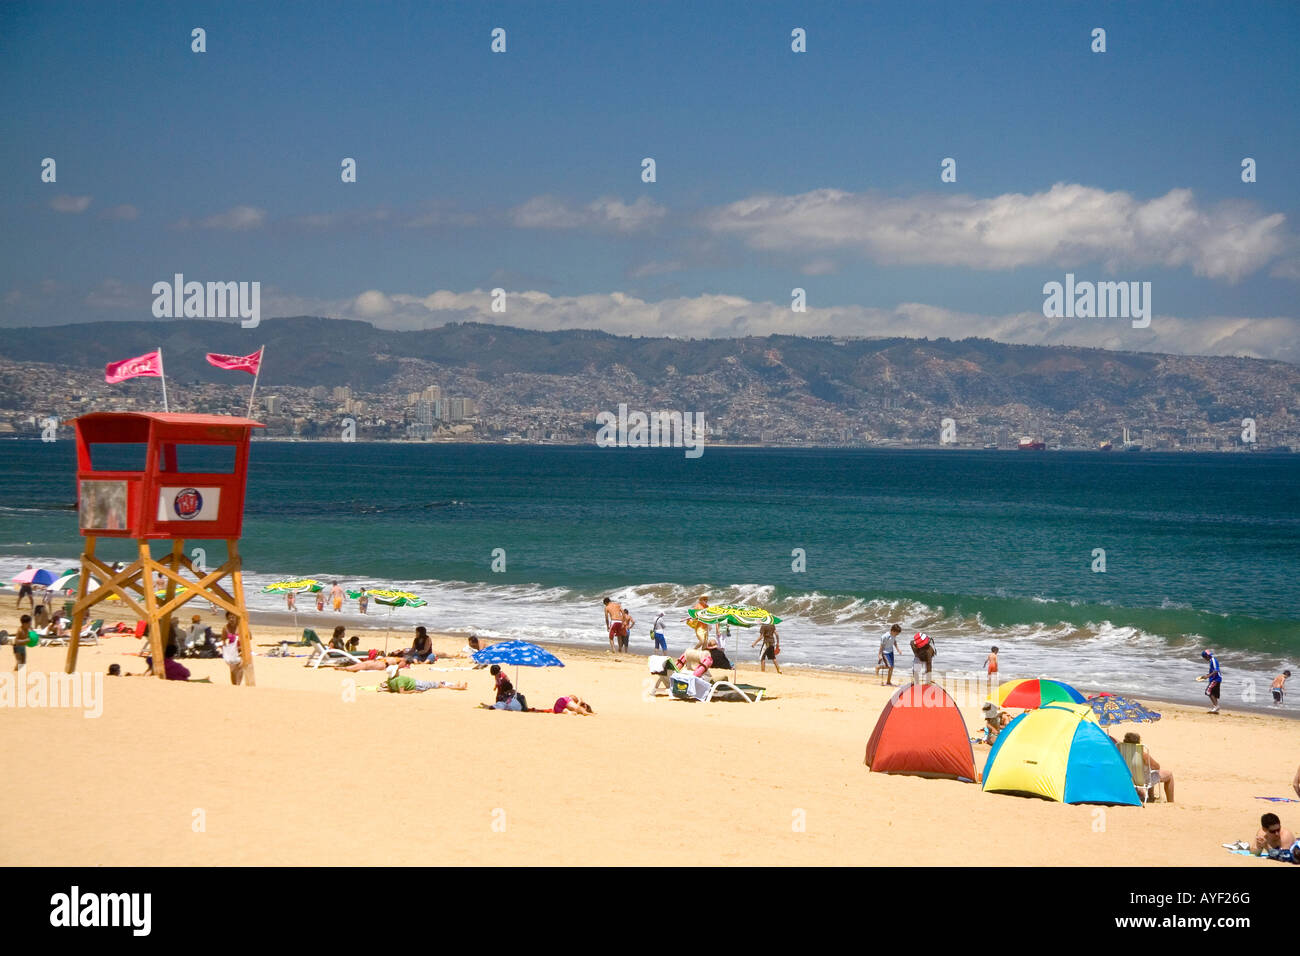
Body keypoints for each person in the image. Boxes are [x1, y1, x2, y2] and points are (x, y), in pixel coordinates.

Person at [1122, 732, 1174, 803]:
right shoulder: (1142, 754)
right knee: (1169, 775)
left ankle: (1151, 797)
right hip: (1143, 780)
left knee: (1148, 771)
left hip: (1130, 779)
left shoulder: (1121, 752)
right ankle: (1171, 801)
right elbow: (1157, 766)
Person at [383, 665, 466, 693]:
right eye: (397, 670)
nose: (398, 671)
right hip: (417, 685)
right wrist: (412, 691)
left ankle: (454, 685)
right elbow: (402, 691)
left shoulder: (390, 681)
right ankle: (458, 687)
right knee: (438, 685)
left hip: (417, 684)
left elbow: (391, 689)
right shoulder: (399, 679)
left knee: (437, 683)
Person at [220, 611, 245, 685]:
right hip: (231, 650)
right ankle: (234, 684)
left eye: (233, 617)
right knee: (233, 669)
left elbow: (249, 636)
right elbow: (223, 639)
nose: (231, 619)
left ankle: (238, 684)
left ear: (236, 618)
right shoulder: (226, 628)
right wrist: (224, 649)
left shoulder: (241, 626)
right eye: (229, 618)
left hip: (241, 649)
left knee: (240, 667)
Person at [1197, 649, 1222, 714]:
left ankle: (1216, 706)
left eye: (1205, 658)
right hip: (1215, 679)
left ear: (1207, 656)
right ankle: (1215, 707)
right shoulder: (1212, 660)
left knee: (1208, 692)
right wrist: (1205, 676)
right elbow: (1213, 671)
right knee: (1213, 693)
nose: (1205, 659)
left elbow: (1216, 670)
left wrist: (1208, 676)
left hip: (1215, 679)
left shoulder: (1213, 661)